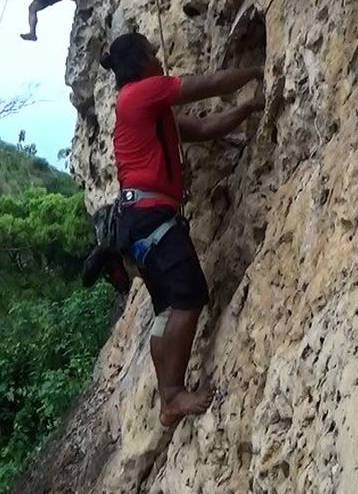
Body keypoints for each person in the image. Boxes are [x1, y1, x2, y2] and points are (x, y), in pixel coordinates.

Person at [100, 32, 263, 427]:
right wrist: (257, 70)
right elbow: (203, 85)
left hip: (139, 222)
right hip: (153, 217)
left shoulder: (145, 112)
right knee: (190, 296)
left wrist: (249, 107)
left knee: (166, 310)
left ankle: (166, 394)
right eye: (153, 54)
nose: (160, 60)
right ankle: (172, 395)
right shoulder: (140, 94)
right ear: (140, 61)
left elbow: (206, 128)